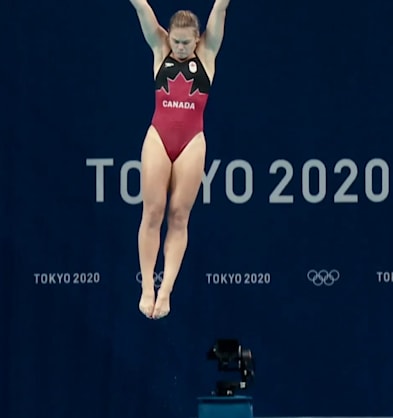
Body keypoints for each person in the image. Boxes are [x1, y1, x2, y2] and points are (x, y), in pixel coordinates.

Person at [129, 0, 231, 319]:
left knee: (178, 215)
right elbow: (141, 7)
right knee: (152, 211)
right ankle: (147, 287)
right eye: (176, 41)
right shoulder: (161, 50)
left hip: (192, 142)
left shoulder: (207, 54)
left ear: (198, 39)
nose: (181, 48)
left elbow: (221, 7)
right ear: (168, 36)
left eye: (187, 42)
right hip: (158, 137)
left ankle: (166, 291)